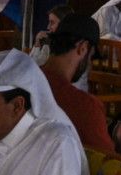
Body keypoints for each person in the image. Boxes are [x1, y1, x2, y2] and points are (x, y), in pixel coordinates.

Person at [35, 13, 114, 150]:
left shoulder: (28, 81)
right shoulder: (84, 106)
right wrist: (118, 141)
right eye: (91, 57)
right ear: (82, 48)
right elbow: (107, 161)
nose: (89, 64)